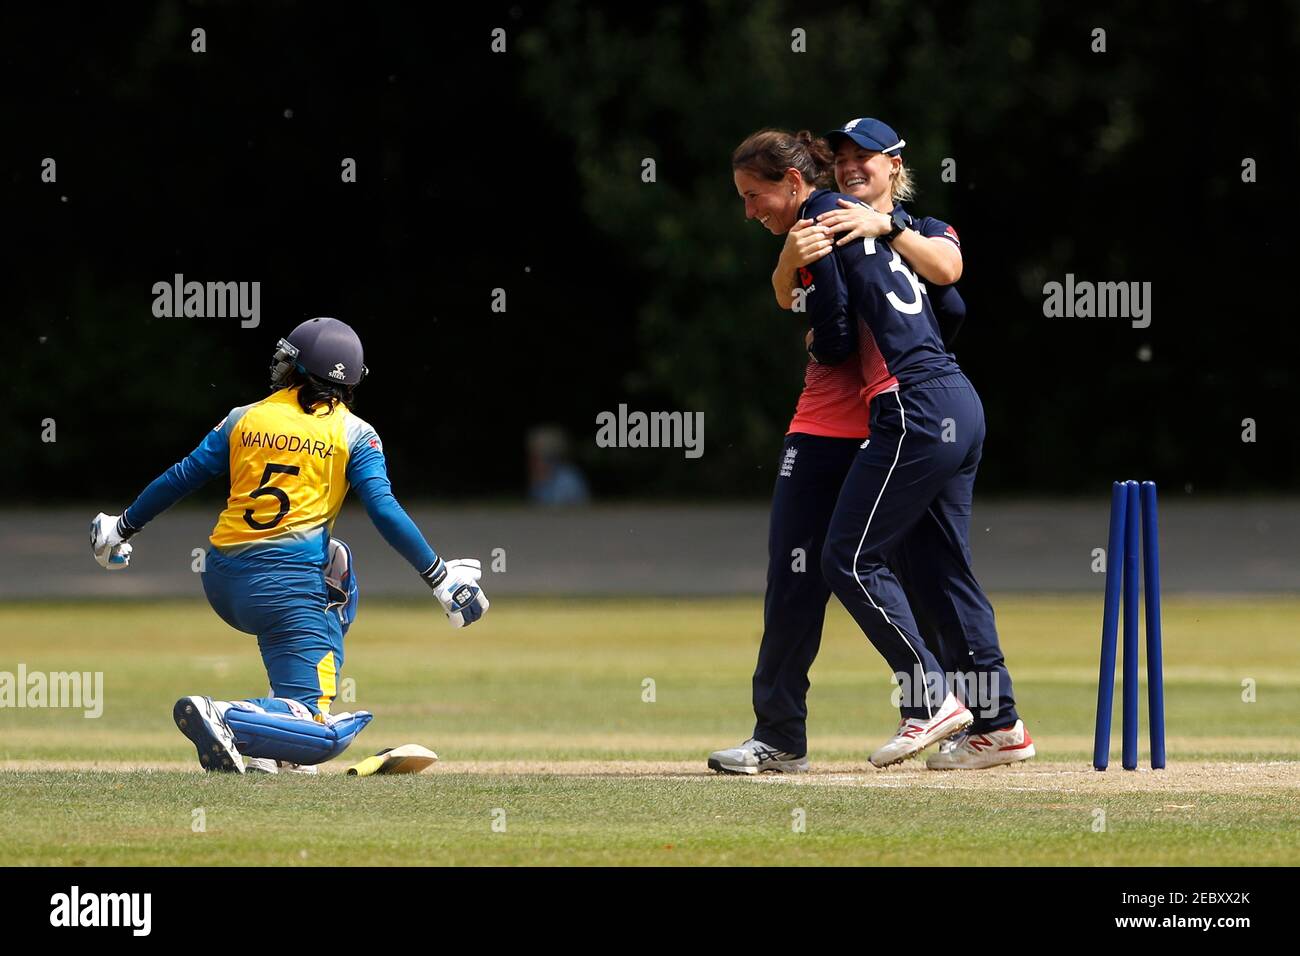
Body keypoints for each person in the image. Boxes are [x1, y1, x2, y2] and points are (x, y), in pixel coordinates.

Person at [719, 126, 1031, 773]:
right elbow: (804, 299)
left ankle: (965, 710)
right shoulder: (826, 225)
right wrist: (785, 269)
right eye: (846, 159)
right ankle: (780, 736)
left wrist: (878, 241)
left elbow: (947, 288)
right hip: (844, 423)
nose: (854, 167)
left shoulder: (902, 228)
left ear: (896, 167)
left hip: (904, 411)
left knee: (896, 568)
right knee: (800, 575)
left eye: (868, 158)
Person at [89, 317, 490, 774]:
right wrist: (440, 577)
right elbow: (382, 507)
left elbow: (182, 476)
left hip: (221, 578)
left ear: (295, 366)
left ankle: (279, 734)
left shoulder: (246, 417)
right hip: (284, 592)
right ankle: (235, 716)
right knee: (323, 739)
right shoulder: (356, 432)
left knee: (338, 561)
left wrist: (122, 527)